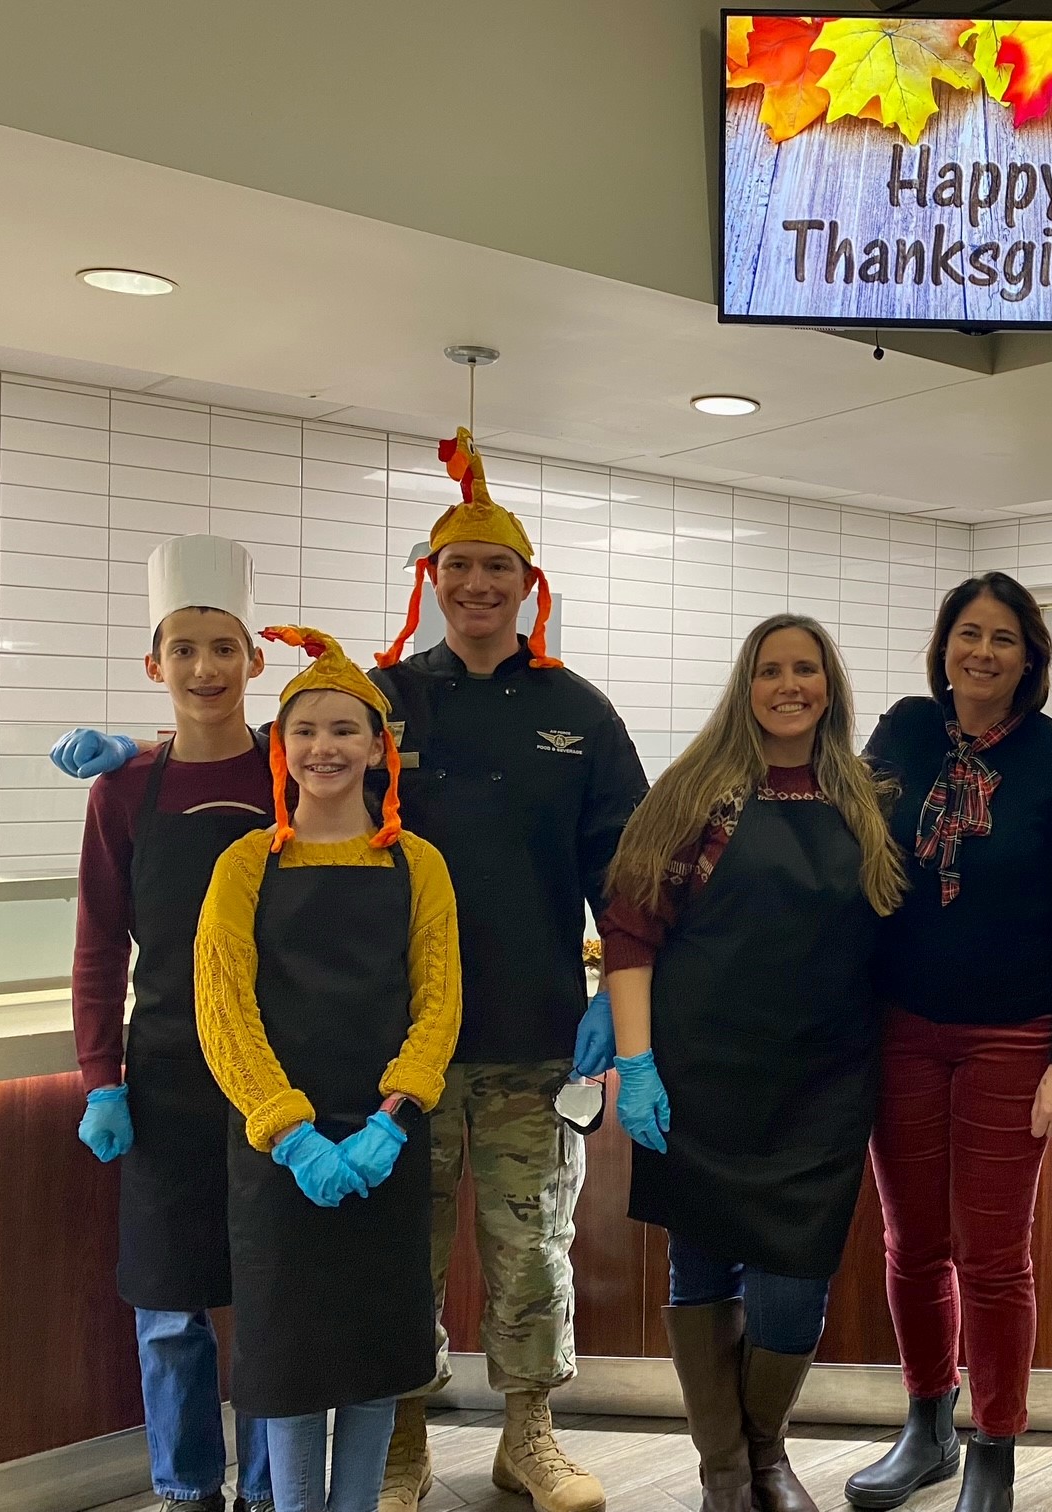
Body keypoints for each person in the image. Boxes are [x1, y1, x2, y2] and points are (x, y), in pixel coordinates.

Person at [50, 430, 644, 1512]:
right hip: (356, 1058)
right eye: (456, 565)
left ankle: (528, 1437)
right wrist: (137, 752)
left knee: (532, 1251)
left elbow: (626, 868)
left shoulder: (579, 713)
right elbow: (272, 741)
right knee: (389, 1264)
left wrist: (623, 1005)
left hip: (525, 1032)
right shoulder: (386, 694)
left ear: (528, 583)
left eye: (497, 566)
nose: (476, 584)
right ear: (430, 581)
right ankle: (392, 1442)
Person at [599, 613, 904, 1512]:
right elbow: (630, 930)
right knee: (702, 1270)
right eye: (770, 670)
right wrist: (636, 1064)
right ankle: (726, 1472)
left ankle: (764, 1452)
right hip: (704, 1073)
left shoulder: (866, 799)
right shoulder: (695, 793)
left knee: (794, 1287)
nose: (788, 686)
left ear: (830, 685)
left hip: (825, 1081)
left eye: (806, 669)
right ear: (746, 685)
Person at [846, 573, 1052, 1512]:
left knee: (991, 1255)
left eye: (1003, 638)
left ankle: (995, 1445)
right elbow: (848, 847)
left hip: (1013, 1033)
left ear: (1030, 658)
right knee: (913, 1242)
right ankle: (928, 1426)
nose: (982, 652)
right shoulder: (905, 731)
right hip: (901, 1027)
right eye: (968, 633)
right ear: (943, 646)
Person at [194, 626, 461, 1512]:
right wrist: (289, 1131)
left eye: (346, 729)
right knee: (292, 1362)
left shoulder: (418, 863)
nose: (325, 747)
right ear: (281, 747)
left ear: (379, 748)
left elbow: (438, 1001)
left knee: (378, 1355)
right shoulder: (244, 865)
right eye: (305, 730)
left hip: (387, 1138)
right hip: (278, 1150)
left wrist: (393, 1118)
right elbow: (223, 1007)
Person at [68, 535, 274, 1512]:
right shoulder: (122, 790)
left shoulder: (295, 770)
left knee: (273, 1295)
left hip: (280, 1072)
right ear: (154, 666)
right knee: (167, 1306)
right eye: (183, 649)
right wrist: (101, 1079)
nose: (204, 668)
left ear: (255, 661)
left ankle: (274, 1490)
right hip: (166, 1071)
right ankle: (186, 1490)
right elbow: (99, 945)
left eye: (223, 647)